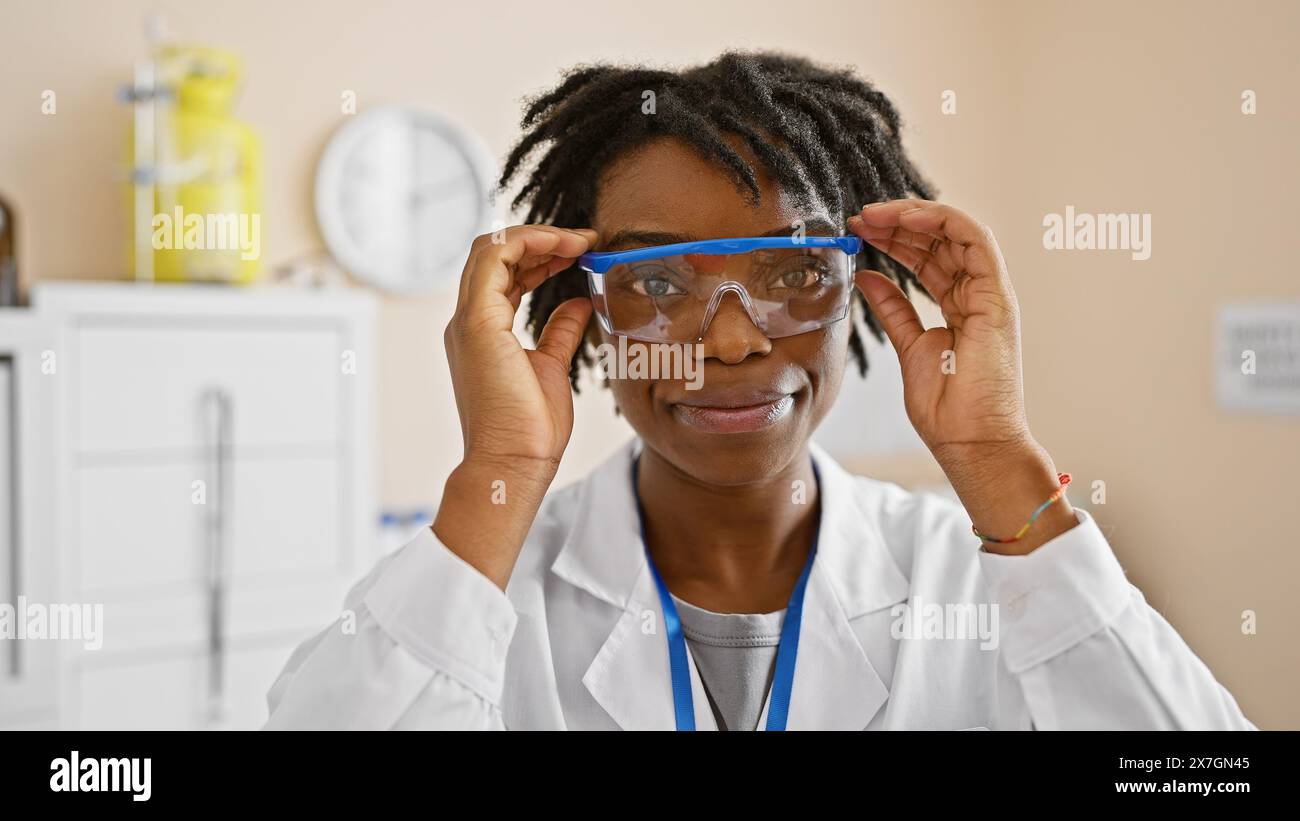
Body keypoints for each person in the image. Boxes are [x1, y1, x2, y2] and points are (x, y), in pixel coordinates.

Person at [264, 52, 1253, 730]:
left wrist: (998, 462)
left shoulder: (981, 576)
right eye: (655, 283)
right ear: (584, 311)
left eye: (791, 272)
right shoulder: (485, 591)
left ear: (858, 294)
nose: (732, 338)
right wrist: (500, 472)